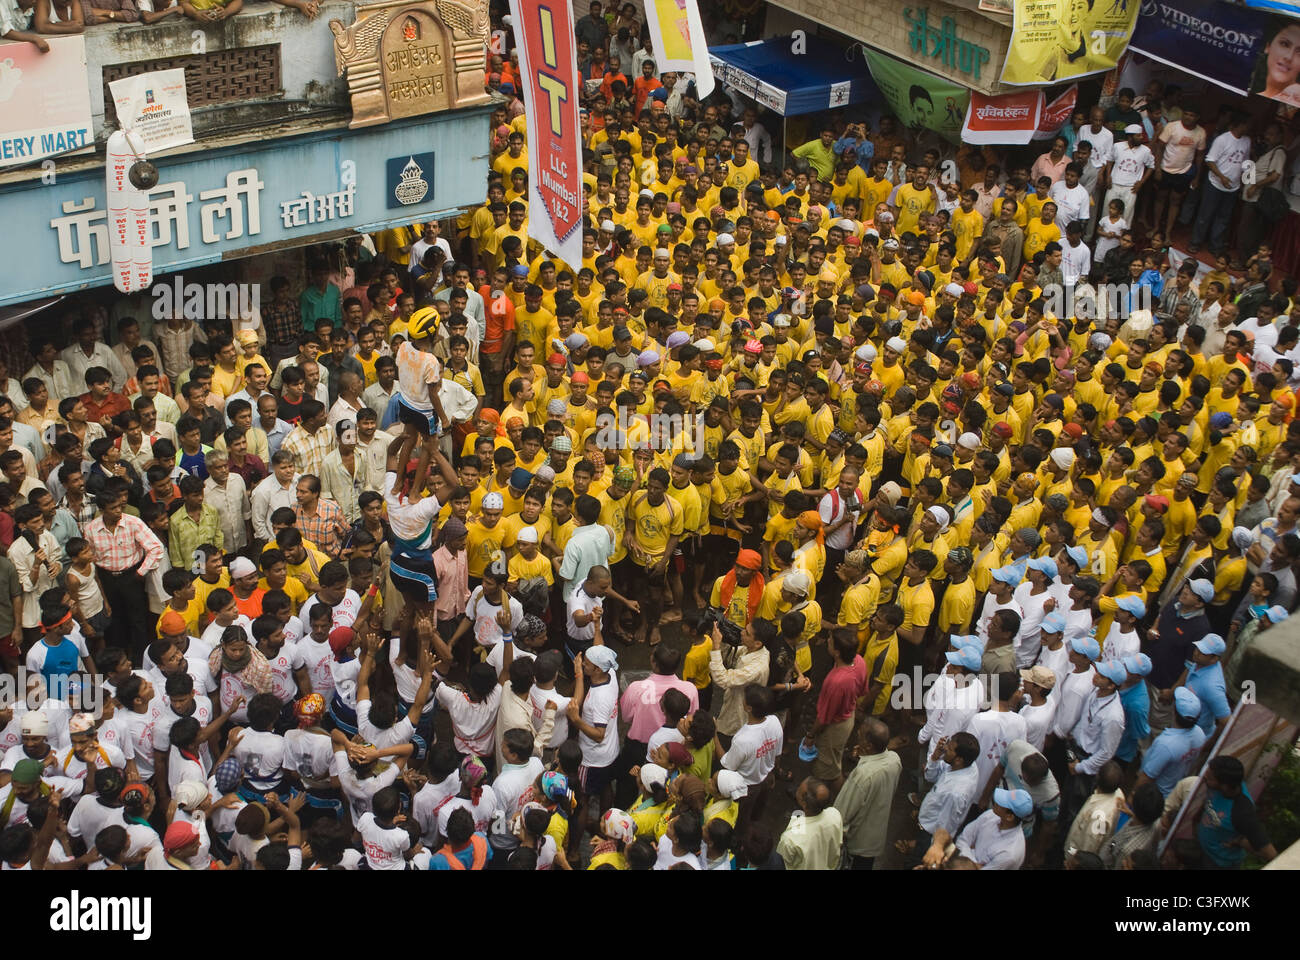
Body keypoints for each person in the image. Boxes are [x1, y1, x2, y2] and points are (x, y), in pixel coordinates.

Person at [833, 719, 901, 870]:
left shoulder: (863, 775)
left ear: (869, 746)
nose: (857, 735)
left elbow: (842, 813)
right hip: (876, 836)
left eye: (861, 736)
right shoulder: (894, 760)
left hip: (859, 841)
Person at [775, 777, 843, 870]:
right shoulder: (834, 814)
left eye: (798, 789)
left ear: (803, 803)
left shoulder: (790, 839)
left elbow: (782, 862)